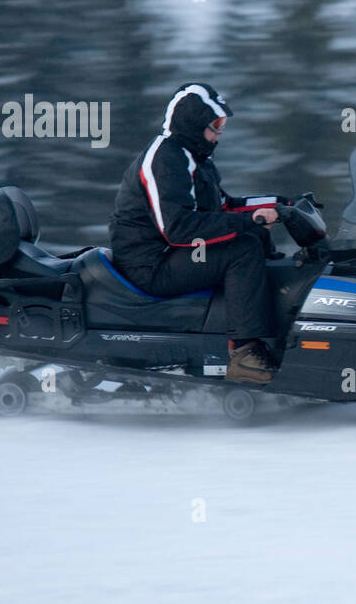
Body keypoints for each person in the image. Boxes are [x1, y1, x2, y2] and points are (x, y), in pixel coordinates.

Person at [109, 83, 283, 384]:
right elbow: (178, 228)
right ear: (193, 124)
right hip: (150, 265)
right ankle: (245, 355)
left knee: (255, 238)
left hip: (172, 256)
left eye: (223, 125)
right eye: (215, 125)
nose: (220, 133)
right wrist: (249, 223)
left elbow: (224, 207)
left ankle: (277, 333)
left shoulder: (193, 158)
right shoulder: (165, 159)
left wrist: (283, 204)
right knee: (243, 249)